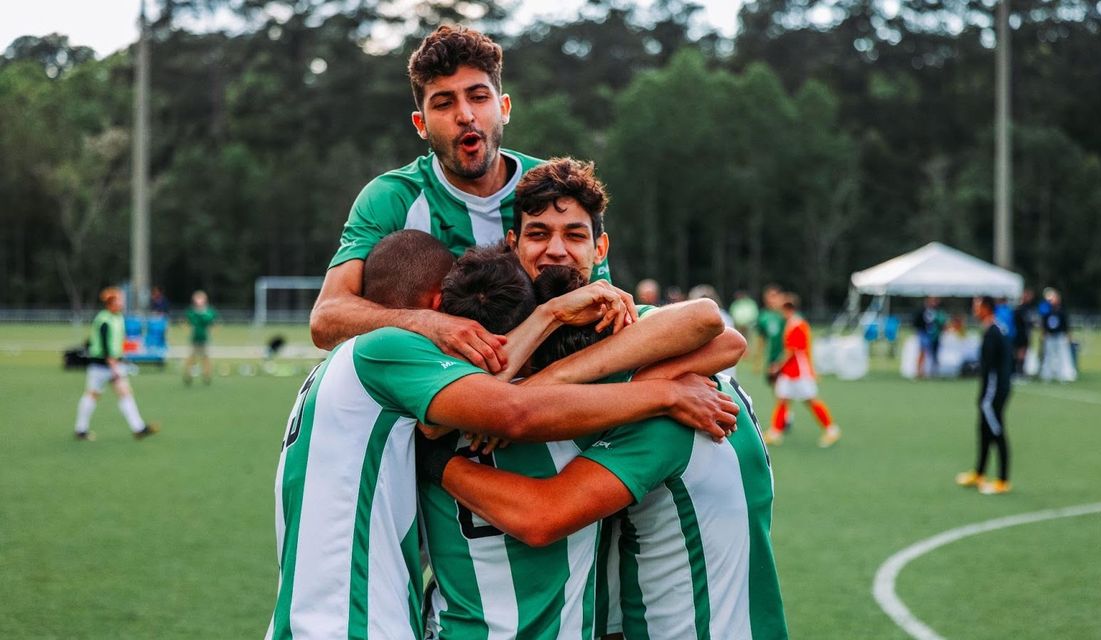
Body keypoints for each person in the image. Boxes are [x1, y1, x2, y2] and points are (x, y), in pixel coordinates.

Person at [268, 231, 735, 640]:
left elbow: (722, 336)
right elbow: (515, 412)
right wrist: (664, 396)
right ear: (437, 308)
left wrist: (548, 315)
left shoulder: (342, 371)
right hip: (353, 623)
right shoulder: (390, 348)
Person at [418, 270, 784, 639]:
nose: (556, 252)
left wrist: (434, 458)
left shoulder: (664, 413)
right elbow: (726, 340)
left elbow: (542, 515)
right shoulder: (677, 373)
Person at [309, 25, 613, 367]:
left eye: (479, 97)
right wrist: (429, 323)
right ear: (420, 124)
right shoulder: (392, 197)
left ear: (504, 108)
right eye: (443, 103)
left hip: (547, 391)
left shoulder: (553, 188)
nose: (465, 115)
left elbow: (600, 314)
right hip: (436, 402)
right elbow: (327, 319)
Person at [73, 287, 158, 441]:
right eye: (119, 299)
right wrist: (114, 367)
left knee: (124, 393)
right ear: (111, 302)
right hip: (102, 365)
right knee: (93, 395)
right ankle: (80, 429)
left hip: (112, 364)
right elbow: (105, 346)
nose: (122, 302)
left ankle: (138, 428)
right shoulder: (104, 319)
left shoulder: (117, 317)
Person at [763, 294, 841, 448]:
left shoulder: (796, 324)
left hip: (798, 372)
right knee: (783, 399)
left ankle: (832, 430)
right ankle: (775, 432)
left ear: (788, 308)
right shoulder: (794, 323)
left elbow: (792, 351)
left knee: (810, 400)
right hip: (791, 371)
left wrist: (777, 366)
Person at [955, 296, 1014, 495]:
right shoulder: (996, 328)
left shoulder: (993, 331)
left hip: (994, 390)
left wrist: (984, 396)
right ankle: (979, 472)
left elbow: (988, 366)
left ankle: (1003, 480)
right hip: (994, 388)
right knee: (984, 430)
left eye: (977, 306)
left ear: (986, 308)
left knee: (996, 431)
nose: (974, 310)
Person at [1039, 287, 1077, 382]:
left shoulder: (1062, 311)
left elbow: (1066, 325)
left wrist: (1068, 336)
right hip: (1050, 336)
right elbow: (1044, 324)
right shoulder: (1047, 312)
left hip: (1060, 336)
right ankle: (1047, 374)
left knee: (1062, 356)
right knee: (1049, 356)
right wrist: (1043, 334)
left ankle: (1064, 374)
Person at [183, 290, 216, 386]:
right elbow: (190, 319)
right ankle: (188, 375)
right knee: (191, 357)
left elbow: (208, 320)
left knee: (205, 358)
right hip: (194, 338)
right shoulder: (191, 312)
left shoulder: (209, 311)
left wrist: (202, 313)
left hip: (205, 338)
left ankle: (207, 375)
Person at [754, 284, 785, 380]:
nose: (772, 300)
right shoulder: (763, 317)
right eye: (769, 296)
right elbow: (761, 340)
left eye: (774, 296)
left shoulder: (786, 315)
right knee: (779, 389)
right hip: (773, 358)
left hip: (788, 356)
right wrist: (758, 361)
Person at [912, 296, 947, 378]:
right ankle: (919, 372)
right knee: (922, 352)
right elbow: (916, 322)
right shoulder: (922, 310)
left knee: (934, 354)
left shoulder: (938, 311)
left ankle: (933, 372)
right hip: (924, 333)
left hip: (935, 335)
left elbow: (942, 323)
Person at [1012, 289, 1036, 376]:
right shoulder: (1019, 309)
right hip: (1019, 334)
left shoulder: (1029, 308)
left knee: (1023, 353)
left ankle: (1020, 371)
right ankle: (1017, 371)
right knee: (1019, 353)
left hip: (1025, 334)